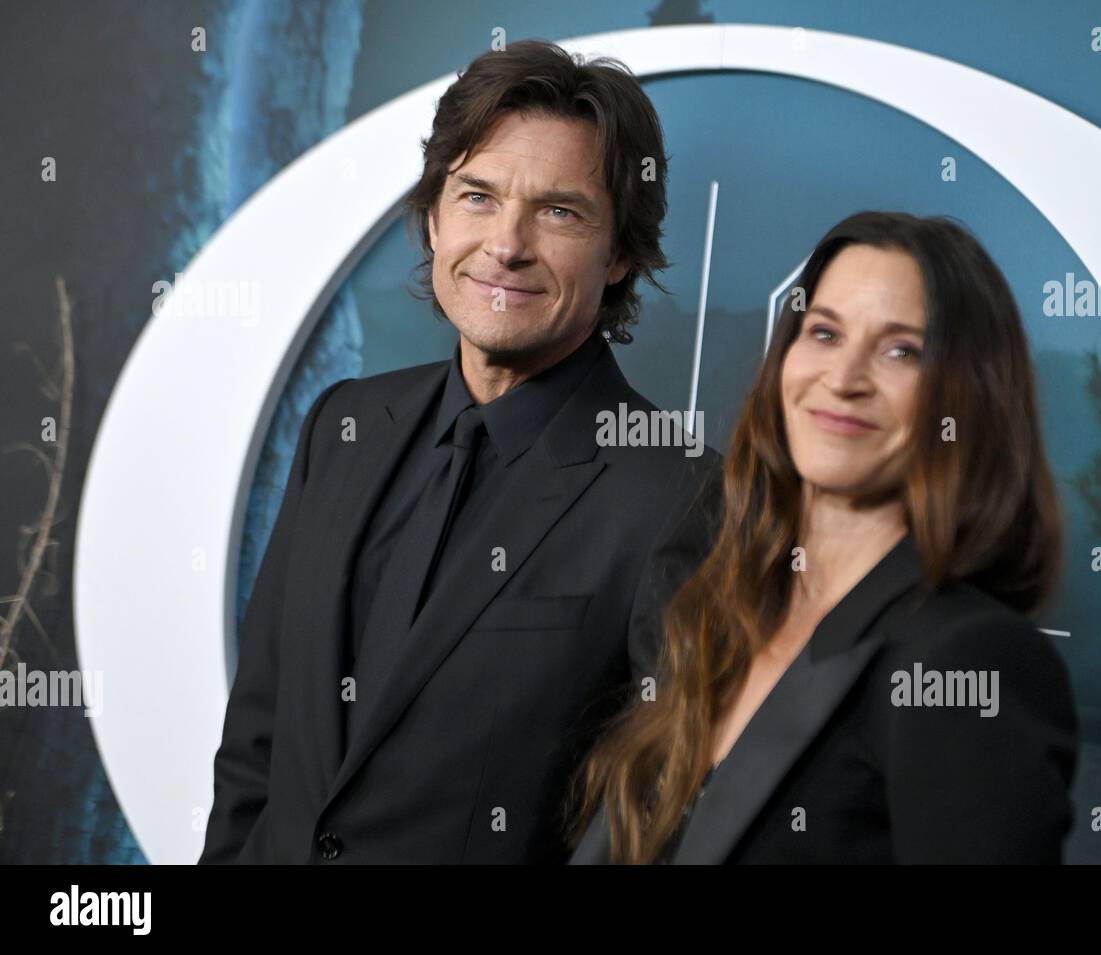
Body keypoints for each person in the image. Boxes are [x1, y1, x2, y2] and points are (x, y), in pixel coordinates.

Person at [201, 40, 719, 864]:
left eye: (559, 211)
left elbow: (660, 818)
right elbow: (256, 749)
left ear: (619, 251)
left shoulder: (679, 492)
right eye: (477, 196)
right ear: (434, 216)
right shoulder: (343, 425)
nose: (506, 245)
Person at [568, 211, 1079, 864]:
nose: (843, 377)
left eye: (901, 350)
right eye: (825, 332)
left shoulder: (970, 657)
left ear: (967, 396)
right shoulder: (723, 613)